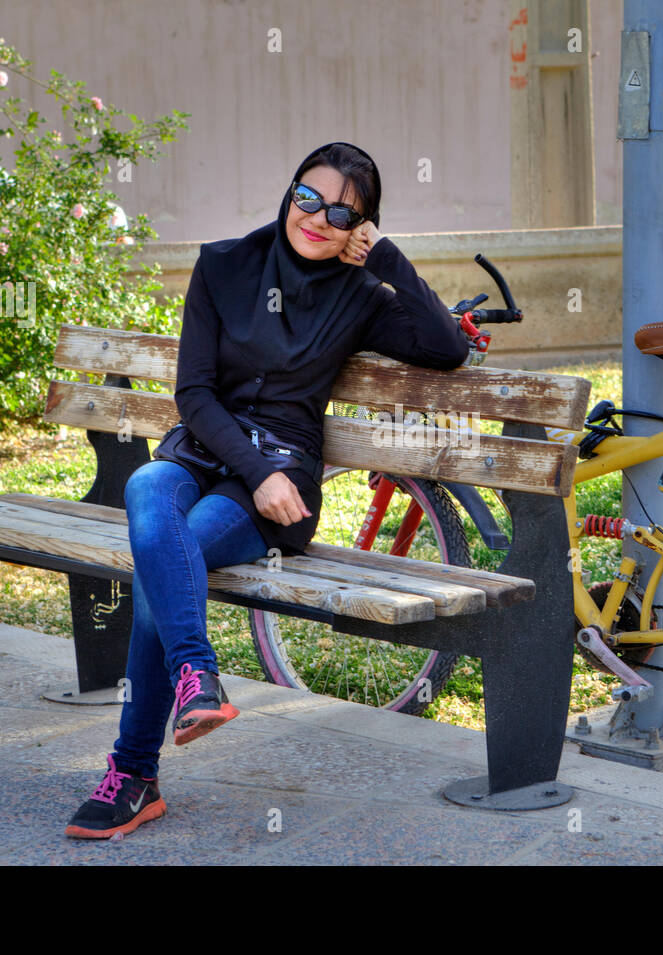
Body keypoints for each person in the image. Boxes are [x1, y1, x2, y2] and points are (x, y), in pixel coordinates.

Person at [65, 142, 471, 838]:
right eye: (307, 197)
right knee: (147, 486)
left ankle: (133, 774)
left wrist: (386, 256)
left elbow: (446, 347)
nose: (317, 217)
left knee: (171, 555)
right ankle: (197, 675)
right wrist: (255, 471)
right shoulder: (225, 264)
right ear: (289, 193)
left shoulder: (361, 293)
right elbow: (192, 392)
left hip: (278, 484)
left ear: (360, 226)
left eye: (343, 212)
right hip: (215, 456)